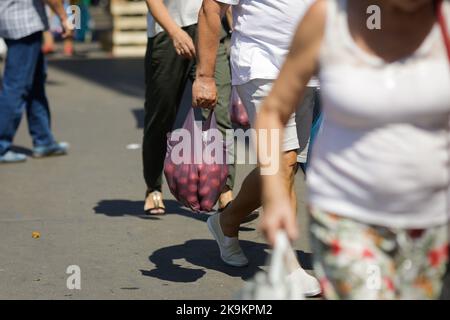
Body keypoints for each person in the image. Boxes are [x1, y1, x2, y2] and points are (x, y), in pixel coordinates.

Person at [256, 0, 450, 299]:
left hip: (432, 221)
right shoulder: (329, 17)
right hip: (346, 216)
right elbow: (273, 111)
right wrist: (274, 192)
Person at [193, 0, 321, 297]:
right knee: (284, 161)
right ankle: (288, 267)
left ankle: (226, 220)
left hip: (309, 68)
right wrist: (205, 77)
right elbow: (211, 9)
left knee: (280, 166)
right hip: (261, 66)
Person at [143, 0, 235, 215]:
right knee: (161, 116)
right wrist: (175, 32)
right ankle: (153, 187)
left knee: (219, 112)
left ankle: (225, 192)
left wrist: (233, 29)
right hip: (167, 32)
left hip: (212, 29)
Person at [0, 0, 71, 164]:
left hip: (13, 20)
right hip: (24, 24)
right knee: (16, 86)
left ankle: (44, 140)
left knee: (35, 84)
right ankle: (1, 145)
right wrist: (64, 17)